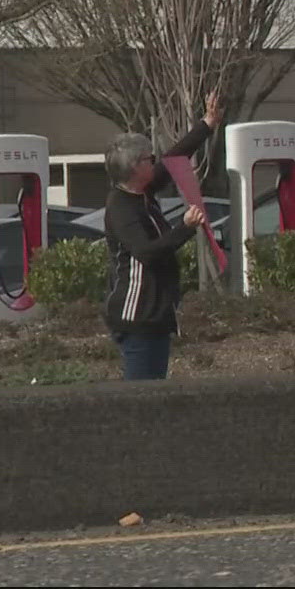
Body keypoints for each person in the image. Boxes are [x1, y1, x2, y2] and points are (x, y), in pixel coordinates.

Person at [102, 92, 224, 380]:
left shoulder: (142, 190)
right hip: (138, 315)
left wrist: (207, 124)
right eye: (149, 159)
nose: (154, 162)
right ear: (135, 167)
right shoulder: (121, 206)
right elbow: (146, 252)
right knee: (143, 393)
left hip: (156, 313)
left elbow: (174, 159)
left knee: (155, 387)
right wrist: (185, 226)